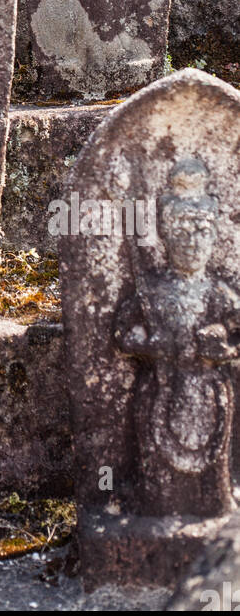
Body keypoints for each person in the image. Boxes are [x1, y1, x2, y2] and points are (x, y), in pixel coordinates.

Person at [115, 158, 240, 517]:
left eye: (202, 229)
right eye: (182, 228)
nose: (192, 240)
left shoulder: (218, 294)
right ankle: (155, 504)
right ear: (165, 233)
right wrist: (149, 346)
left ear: (215, 234)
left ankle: (216, 504)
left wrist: (224, 347)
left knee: (213, 478)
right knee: (158, 478)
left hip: (210, 392)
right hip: (159, 390)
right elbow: (123, 333)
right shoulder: (152, 292)